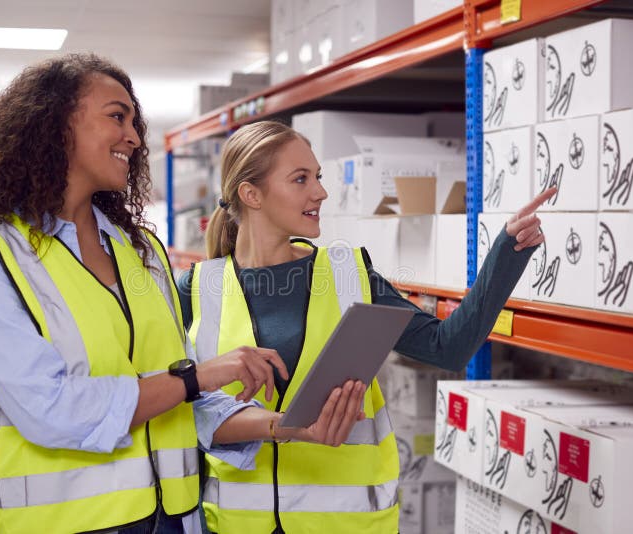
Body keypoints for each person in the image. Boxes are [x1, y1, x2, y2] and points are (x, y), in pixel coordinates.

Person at [0, 56, 365, 534]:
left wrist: (282, 425)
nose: (135, 138)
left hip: (175, 521)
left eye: (135, 122)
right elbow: (50, 409)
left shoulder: (140, 252)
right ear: (55, 125)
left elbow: (182, 401)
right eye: (116, 117)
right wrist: (195, 378)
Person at [177, 120, 557, 533]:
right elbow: (181, 409)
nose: (320, 191)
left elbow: (448, 346)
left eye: (318, 177)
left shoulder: (347, 273)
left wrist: (507, 252)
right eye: (300, 179)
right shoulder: (196, 289)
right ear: (251, 194)